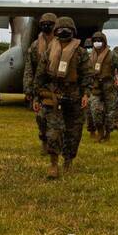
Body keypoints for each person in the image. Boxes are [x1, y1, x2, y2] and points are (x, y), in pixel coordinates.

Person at [32, 16, 91, 178]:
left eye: (68, 29)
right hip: (54, 97)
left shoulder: (81, 52)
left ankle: (68, 161)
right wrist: (37, 97)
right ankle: (53, 164)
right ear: (56, 31)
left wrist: (86, 94)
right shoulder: (49, 51)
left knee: (74, 133)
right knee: (54, 132)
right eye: (60, 29)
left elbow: (87, 75)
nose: (64, 32)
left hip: (74, 98)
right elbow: (40, 76)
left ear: (73, 32)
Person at [22, 12, 59, 147]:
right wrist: (28, 89)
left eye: (50, 24)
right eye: (43, 24)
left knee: (57, 120)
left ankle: (55, 145)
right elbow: (29, 69)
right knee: (41, 117)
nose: (46, 26)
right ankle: (44, 140)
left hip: (59, 86)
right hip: (40, 86)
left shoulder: (63, 43)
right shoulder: (35, 45)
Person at [85, 31, 118, 142]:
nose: (97, 43)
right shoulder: (90, 55)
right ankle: (99, 131)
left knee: (110, 111)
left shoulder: (112, 55)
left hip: (108, 85)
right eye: (95, 41)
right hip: (95, 85)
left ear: (104, 42)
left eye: (99, 40)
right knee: (94, 109)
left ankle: (108, 133)